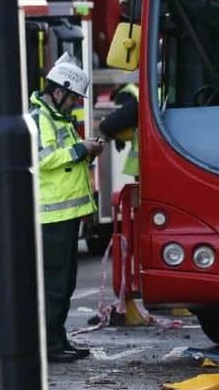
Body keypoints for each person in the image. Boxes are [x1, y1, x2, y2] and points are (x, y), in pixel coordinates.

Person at [32, 52, 103, 363]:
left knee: (64, 283)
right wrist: (80, 149)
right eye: (73, 97)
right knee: (56, 285)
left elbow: (64, 159)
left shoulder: (56, 118)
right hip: (52, 216)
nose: (76, 103)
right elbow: (44, 158)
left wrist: (86, 151)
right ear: (58, 91)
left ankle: (57, 340)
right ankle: (50, 345)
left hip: (64, 215)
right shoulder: (40, 118)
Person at [99, 82, 140, 178]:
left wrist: (106, 128)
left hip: (148, 160)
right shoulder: (136, 91)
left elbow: (115, 122)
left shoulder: (125, 93)